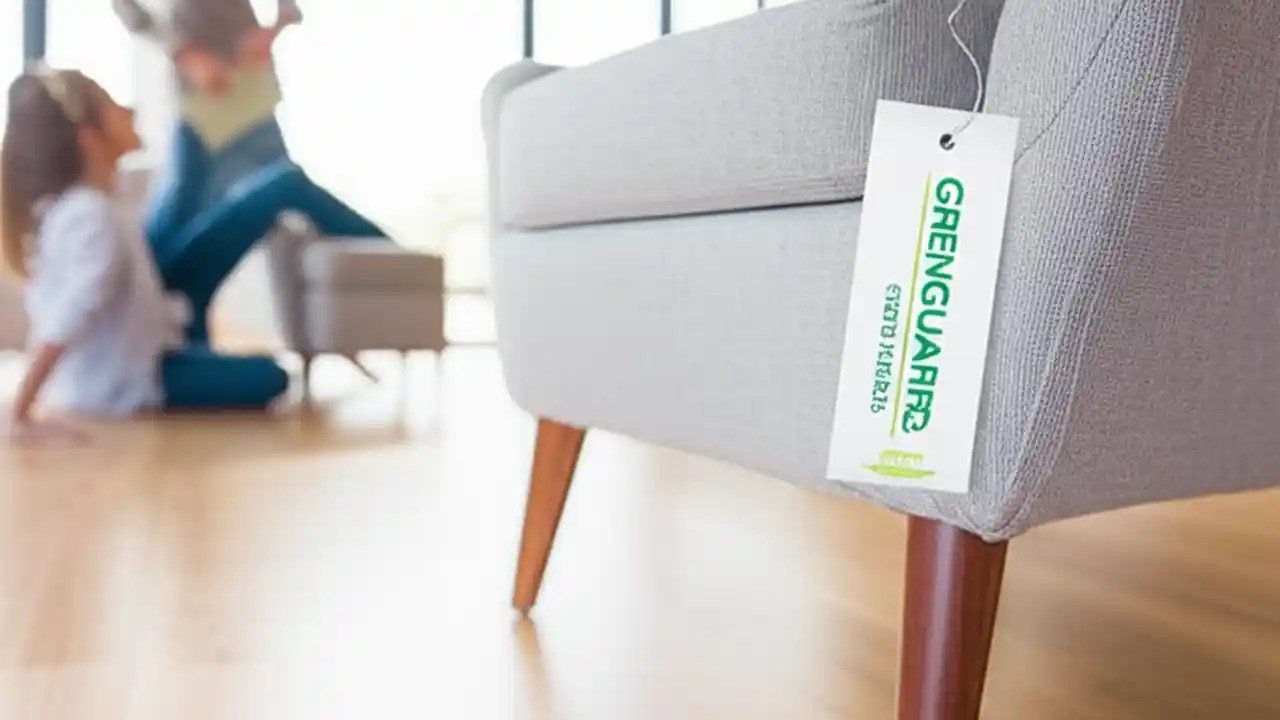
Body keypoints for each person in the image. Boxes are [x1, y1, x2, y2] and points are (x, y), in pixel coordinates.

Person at [0, 69, 312, 441]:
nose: (130, 110)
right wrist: (22, 408)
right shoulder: (90, 216)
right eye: (114, 106)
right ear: (88, 137)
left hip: (122, 373)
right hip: (130, 385)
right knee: (272, 376)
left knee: (255, 370)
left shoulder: (81, 208)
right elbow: (69, 313)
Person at [111, 0, 387, 344]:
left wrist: (273, 28)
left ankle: (393, 262)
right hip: (204, 103)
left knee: (284, 195)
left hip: (248, 96)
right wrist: (181, 50)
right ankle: (391, 256)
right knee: (185, 217)